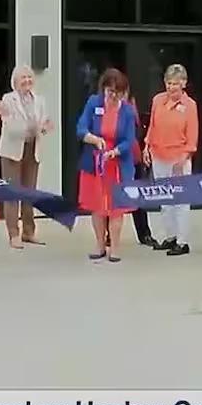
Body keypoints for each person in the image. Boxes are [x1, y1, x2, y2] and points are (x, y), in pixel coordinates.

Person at [76, 68, 135, 263]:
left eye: (117, 92)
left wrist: (115, 152)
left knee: (116, 207)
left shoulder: (127, 110)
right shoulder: (94, 103)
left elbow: (129, 139)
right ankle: (100, 244)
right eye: (110, 91)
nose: (113, 96)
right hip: (94, 161)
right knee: (96, 205)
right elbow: (81, 127)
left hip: (116, 163)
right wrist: (93, 139)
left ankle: (115, 247)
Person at [143, 64, 199, 256]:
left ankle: (182, 242)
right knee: (164, 199)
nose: (171, 87)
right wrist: (147, 147)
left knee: (180, 201)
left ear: (183, 83)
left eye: (175, 83)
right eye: (168, 83)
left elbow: (192, 137)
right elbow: (152, 126)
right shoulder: (158, 100)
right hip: (159, 156)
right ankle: (170, 236)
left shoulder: (190, 106)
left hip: (179, 159)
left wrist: (183, 160)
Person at [0, 65, 51, 249]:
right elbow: (9, 125)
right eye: (23, 78)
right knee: (12, 193)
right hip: (12, 150)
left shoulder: (40, 100)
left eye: (29, 77)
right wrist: (30, 128)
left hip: (32, 148)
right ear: (15, 82)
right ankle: (13, 233)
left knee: (29, 192)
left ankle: (29, 231)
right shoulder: (8, 99)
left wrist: (44, 127)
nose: (27, 81)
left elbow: (45, 121)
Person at [126, 90, 159, 248]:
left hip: (133, 155)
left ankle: (144, 234)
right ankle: (108, 234)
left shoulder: (130, 106)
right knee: (111, 197)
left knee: (138, 197)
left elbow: (138, 130)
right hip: (115, 157)